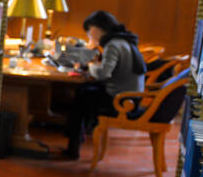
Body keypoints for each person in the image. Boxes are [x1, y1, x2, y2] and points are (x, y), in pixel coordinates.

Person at [61, 10, 146, 159]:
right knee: (84, 90)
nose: (89, 35)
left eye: (89, 31)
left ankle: (73, 145)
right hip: (132, 96)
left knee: (81, 96)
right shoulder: (124, 40)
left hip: (122, 100)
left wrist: (89, 65)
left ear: (98, 28)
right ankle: (80, 136)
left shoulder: (113, 44)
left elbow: (103, 74)